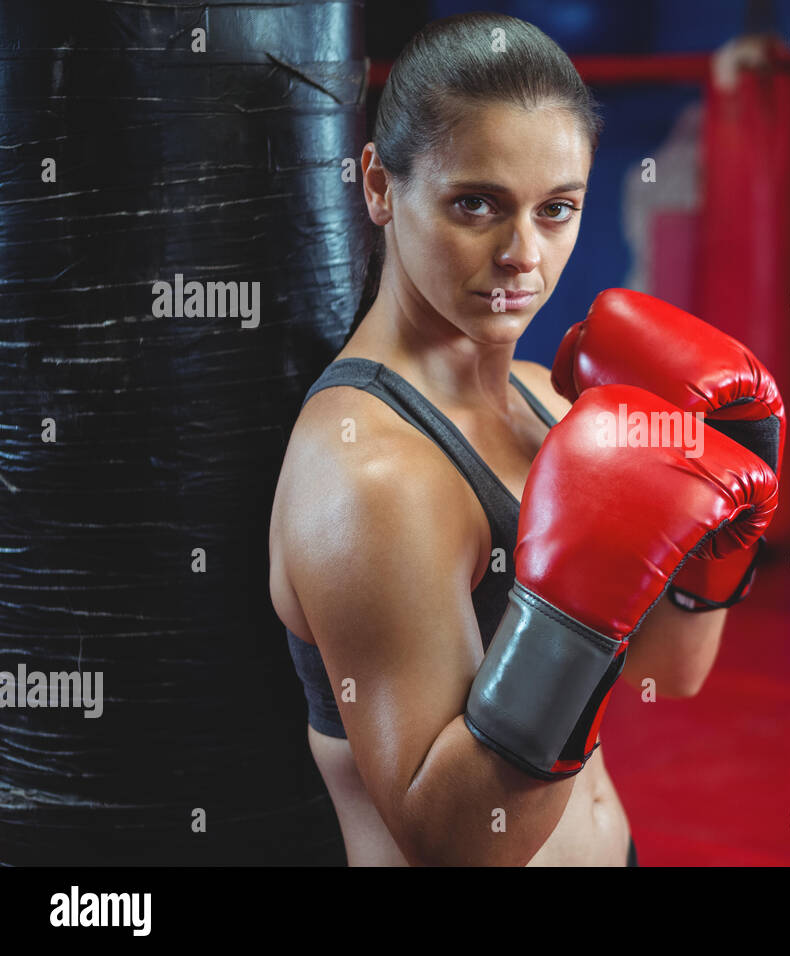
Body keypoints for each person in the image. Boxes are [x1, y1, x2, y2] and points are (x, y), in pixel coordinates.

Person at [267, 13, 757, 867]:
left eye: (556, 209)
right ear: (380, 186)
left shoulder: (547, 400)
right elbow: (457, 843)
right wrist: (574, 604)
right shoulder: (370, 472)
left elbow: (669, 670)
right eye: (476, 204)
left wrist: (739, 474)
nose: (522, 254)